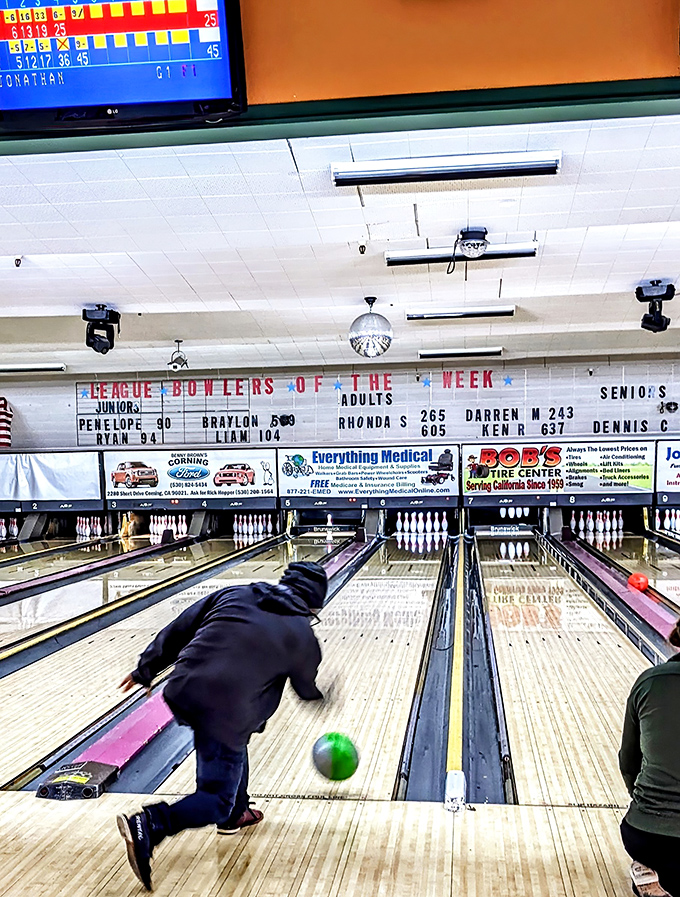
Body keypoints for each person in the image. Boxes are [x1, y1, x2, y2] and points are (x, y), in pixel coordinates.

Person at [116, 561, 328, 892]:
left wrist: (146, 669)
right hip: (227, 712)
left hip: (183, 687)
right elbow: (306, 690)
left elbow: (181, 626)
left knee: (232, 744)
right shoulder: (302, 636)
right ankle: (150, 824)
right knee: (215, 798)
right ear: (313, 605)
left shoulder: (235, 594)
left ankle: (237, 813)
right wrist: (323, 695)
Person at [619, 617, 680, 897]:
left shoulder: (649, 681)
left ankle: (652, 875)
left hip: (644, 834)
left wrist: (644, 800)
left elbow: (628, 760)